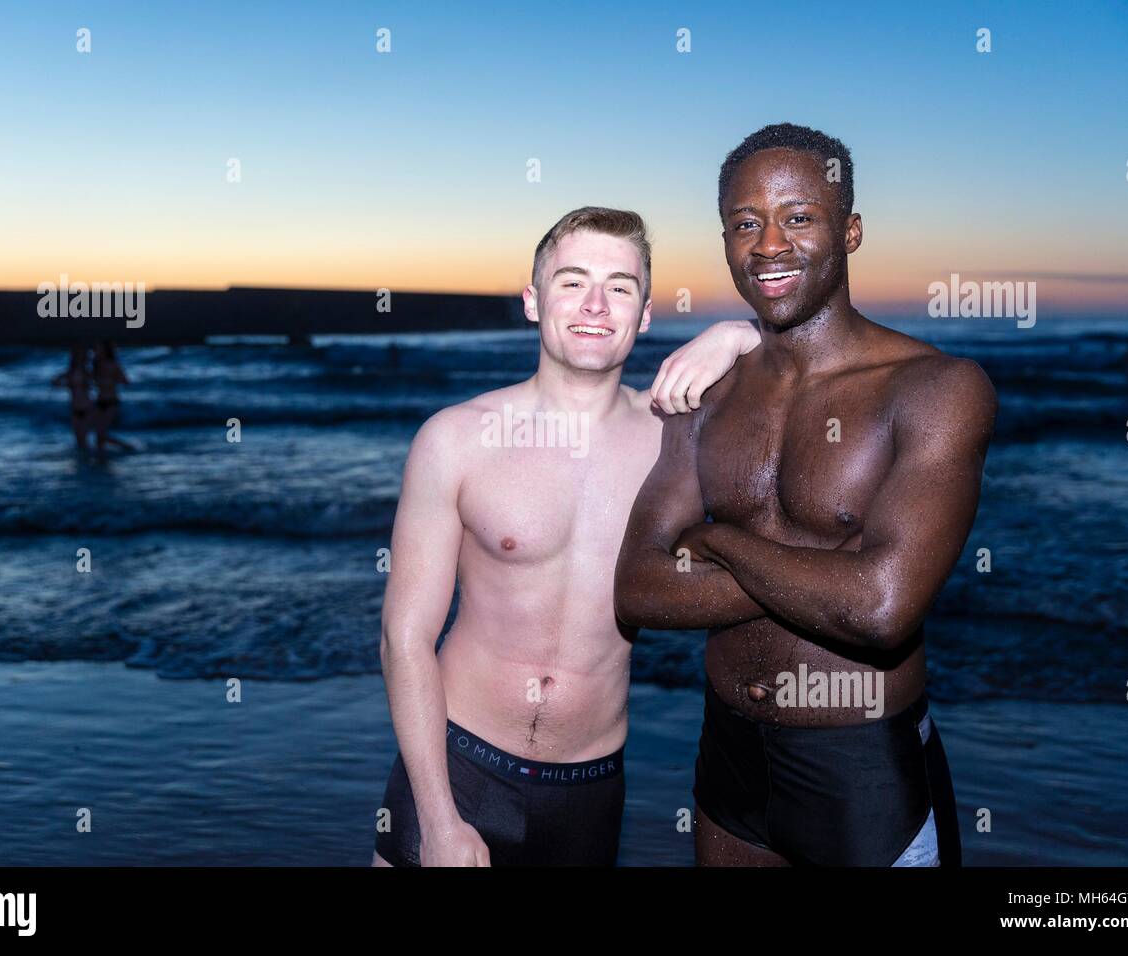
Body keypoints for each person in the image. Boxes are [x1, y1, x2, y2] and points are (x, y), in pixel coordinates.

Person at [615, 124, 997, 867]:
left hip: (858, 769)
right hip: (727, 755)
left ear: (849, 231)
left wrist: (718, 541)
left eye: (798, 217)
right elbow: (637, 589)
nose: (768, 244)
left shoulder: (936, 389)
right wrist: (828, 570)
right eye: (745, 223)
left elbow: (880, 610)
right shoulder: (709, 393)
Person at [374, 206, 761, 867]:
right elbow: (404, 636)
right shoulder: (456, 439)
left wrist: (739, 333)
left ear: (642, 316)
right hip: (456, 765)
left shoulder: (678, 443)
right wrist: (439, 820)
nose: (595, 305)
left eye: (620, 287)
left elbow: (820, 375)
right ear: (533, 301)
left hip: (588, 788)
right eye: (572, 280)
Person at [91, 340, 133, 456]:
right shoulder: (95, 364)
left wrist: (110, 381)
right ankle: (101, 457)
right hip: (99, 400)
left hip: (111, 401)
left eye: (99, 348)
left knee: (102, 433)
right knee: (99, 435)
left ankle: (126, 446)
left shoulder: (113, 364)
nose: (96, 351)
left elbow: (126, 381)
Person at [52, 344, 93, 451]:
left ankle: (86, 460)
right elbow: (54, 382)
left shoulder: (86, 372)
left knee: (84, 437)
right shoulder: (71, 373)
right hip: (75, 407)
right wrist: (67, 385)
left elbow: (98, 381)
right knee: (78, 438)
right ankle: (83, 461)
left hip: (86, 406)